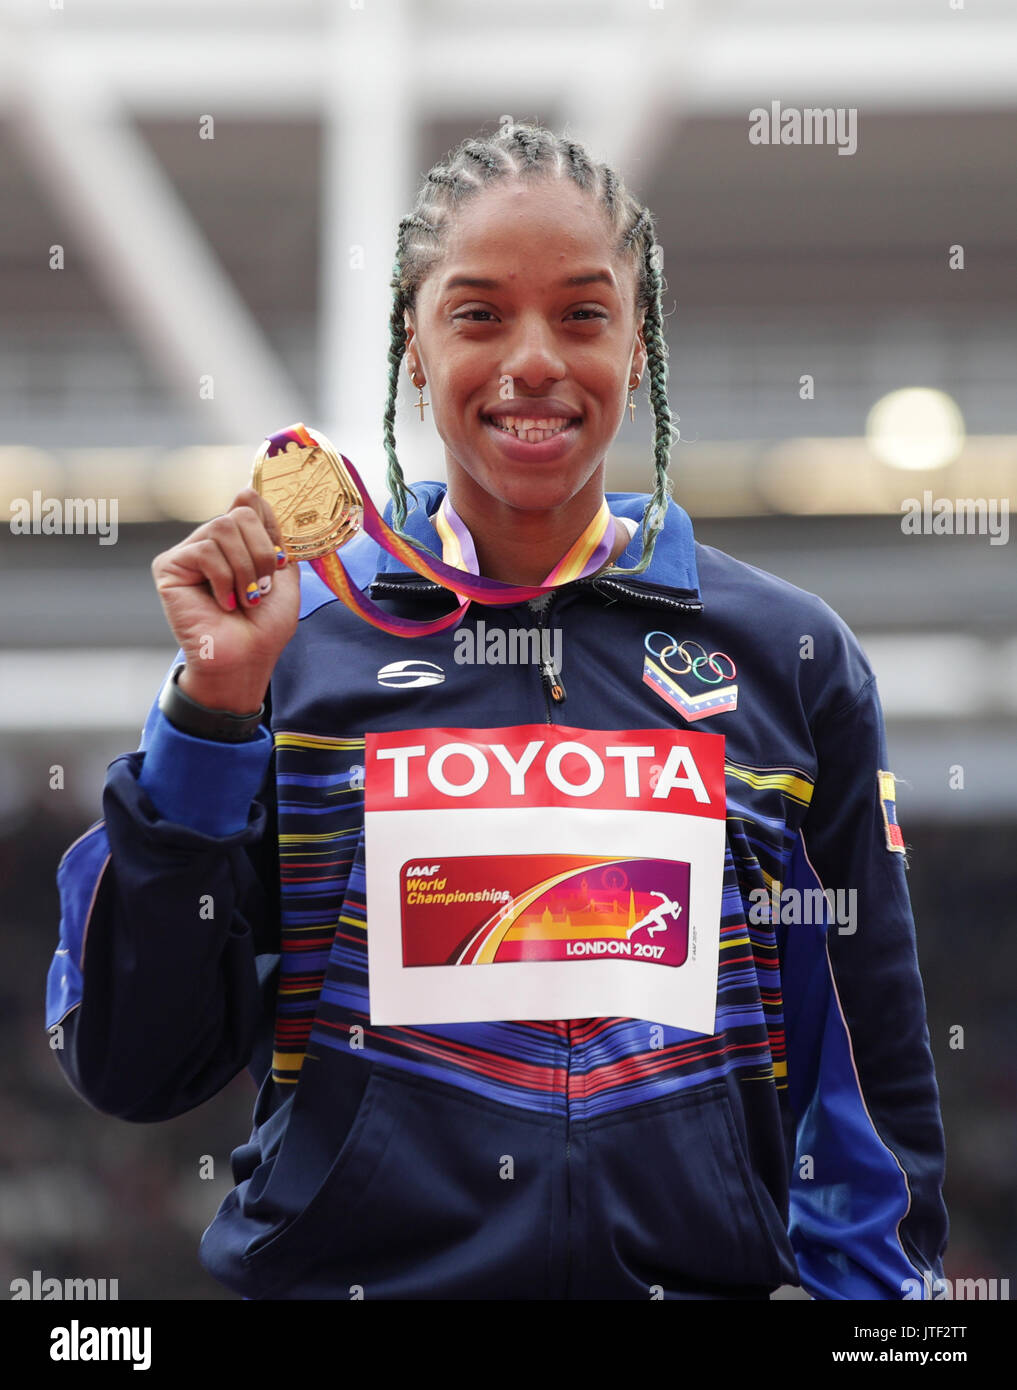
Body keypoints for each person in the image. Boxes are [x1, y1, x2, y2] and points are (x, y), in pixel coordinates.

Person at [46, 120, 948, 1301]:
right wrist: (213, 713)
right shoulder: (297, 648)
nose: (533, 359)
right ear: (412, 349)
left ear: (640, 349)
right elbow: (137, 1064)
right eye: (477, 315)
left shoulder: (788, 656)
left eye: (583, 314)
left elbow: (866, 1072)